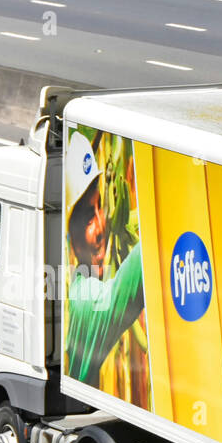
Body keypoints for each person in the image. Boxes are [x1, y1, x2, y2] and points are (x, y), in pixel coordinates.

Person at [62, 131, 146, 395]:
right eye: (88, 218)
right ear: (70, 239)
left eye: (100, 207)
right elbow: (138, 271)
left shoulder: (86, 285)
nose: (101, 225)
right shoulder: (83, 300)